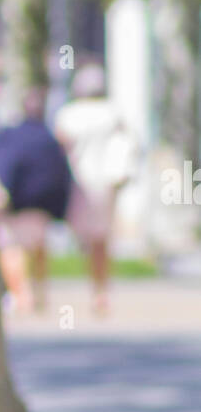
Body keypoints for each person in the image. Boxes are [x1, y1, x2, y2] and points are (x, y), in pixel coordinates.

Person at [55, 63, 136, 315]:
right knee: (101, 238)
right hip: (105, 183)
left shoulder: (68, 114)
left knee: (86, 239)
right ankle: (100, 290)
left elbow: (60, 146)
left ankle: (96, 288)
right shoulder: (112, 113)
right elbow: (128, 145)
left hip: (78, 183)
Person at [0, 88, 73, 312]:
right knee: (38, 246)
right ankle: (40, 293)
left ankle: (22, 294)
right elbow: (62, 173)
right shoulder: (50, 138)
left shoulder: (11, 135)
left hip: (17, 202)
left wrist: (1, 193)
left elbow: (4, 164)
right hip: (42, 203)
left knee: (11, 247)